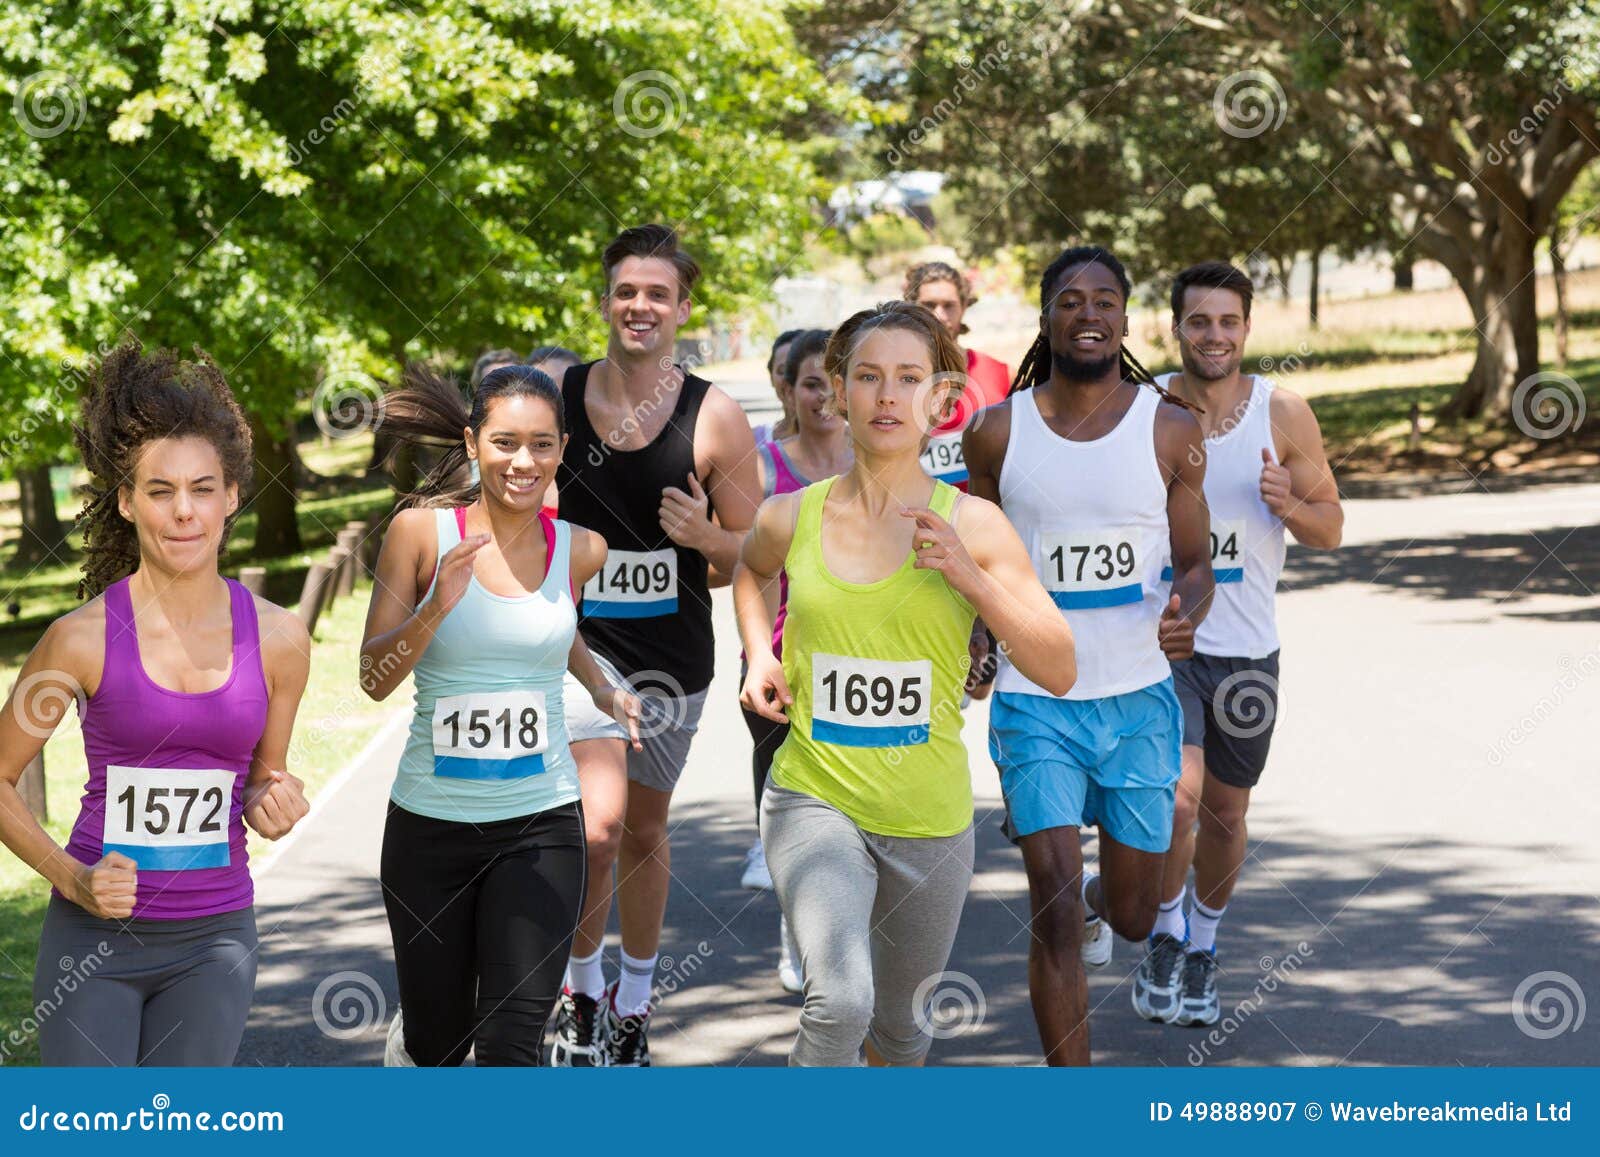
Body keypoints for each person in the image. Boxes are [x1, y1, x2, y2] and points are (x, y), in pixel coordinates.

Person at [737, 301, 1074, 1067]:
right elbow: (750, 569)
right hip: (813, 795)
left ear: (942, 398)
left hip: (928, 816)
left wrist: (969, 576)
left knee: (899, 1031)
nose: (887, 395)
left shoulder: (975, 525)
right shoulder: (790, 515)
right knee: (838, 1002)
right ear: (836, 391)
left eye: (909, 377)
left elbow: (1058, 665)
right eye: (867, 376)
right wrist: (759, 653)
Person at [0, 341, 311, 1066]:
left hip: (215, 941)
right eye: (160, 490)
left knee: (181, 1123)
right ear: (126, 500)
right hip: (93, 941)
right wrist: (72, 877)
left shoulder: (280, 639)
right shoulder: (78, 639)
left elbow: (262, 778)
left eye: (203, 488)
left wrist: (276, 797)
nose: (184, 512)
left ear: (232, 496)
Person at [964, 245, 1214, 1066]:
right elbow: (981, 557)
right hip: (1036, 700)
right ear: (1046, 319)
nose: (1089, 314)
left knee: (1134, 913)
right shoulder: (996, 432)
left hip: (1138, 699)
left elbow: (1197, 562)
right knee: (1056, 905)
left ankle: (1112, 899)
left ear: (1126, 320)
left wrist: (1187, 613)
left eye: (1105, 300)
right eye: (1070, 301)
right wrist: (978, 638)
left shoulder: (1170, 428)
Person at [360, 363, 640, 1067]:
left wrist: (600, 688)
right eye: (506, 442)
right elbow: (372, 679)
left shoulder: (581, 548)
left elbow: (547, 627)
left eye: (542, 444)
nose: (524, 462)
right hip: (431, 828)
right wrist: (436, 607)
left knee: (511, 1046)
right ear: (472, 442)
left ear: (563, 448)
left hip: (542, 822)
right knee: (438, 1043)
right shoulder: (421, 535)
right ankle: (417, 1047)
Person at [551, 224, 762, 1067]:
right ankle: (580, 992)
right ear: (606, 299)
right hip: (577, 647)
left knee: (643, 828)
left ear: (682, 308)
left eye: (657, 294)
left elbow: (752, 554)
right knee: (596, 827)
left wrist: (705, 534)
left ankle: (633, 1002)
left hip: (672, 658)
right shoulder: (559, 396)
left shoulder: (715, 416)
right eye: (626, 291)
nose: (639, 306)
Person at [1132, 262, 1343, 1027]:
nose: (1214, 335)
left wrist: (1290, 505)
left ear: (1247, 328)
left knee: (1225, 813)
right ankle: (1162, 933)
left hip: (1249, 652)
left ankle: (1203, 947)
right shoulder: (1144, 407)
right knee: (1177, 800)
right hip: (1165, 641)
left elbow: (1331, 527)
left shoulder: (1282, 413)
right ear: (1176, 328)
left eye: (1228, 321)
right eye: (1199, 321)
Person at [737, 328, 852, 993]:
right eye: (812, 383)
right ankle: (797, 922)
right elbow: (741, 564)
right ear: (790, 389)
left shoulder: (880, 461)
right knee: (791, 811)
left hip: (857, 664)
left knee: (848, 808)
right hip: (780, 665)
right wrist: (759, 653)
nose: (825, 398)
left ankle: (843, 931)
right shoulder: (763, 467)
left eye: (837, 384)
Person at [903, 261, 1011, 491]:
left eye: (949, 305)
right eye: (928, 305)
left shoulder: (1001, 373)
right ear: (912, 308)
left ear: (963, 307)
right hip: (911, 507)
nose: (939, 315)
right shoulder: (893, 378)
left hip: (986, 507)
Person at [752, 329, 803, 446]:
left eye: (799, 370)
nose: (791, 380)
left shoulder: (843, 440)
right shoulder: (753, 440)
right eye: (783, 371)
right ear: (771, 377)